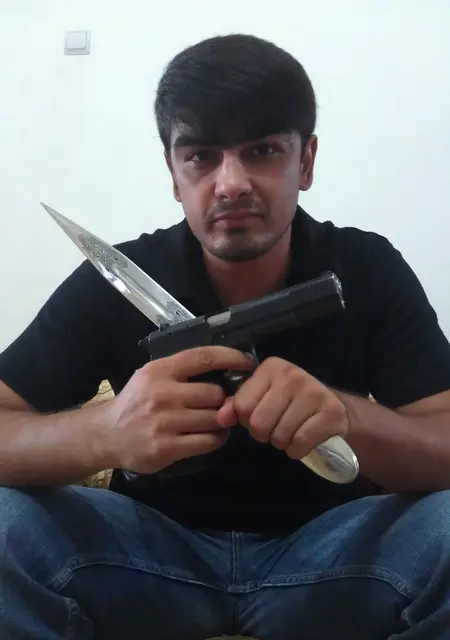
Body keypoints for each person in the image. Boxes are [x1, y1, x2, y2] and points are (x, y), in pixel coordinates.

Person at [1, 32, 450, 640]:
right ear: (173, 172)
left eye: (262, 151)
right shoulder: (116, 282)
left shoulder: (365, 268)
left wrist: (346, 417)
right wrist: (103, 434)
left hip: (332, 560)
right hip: (142, 560)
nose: (231, 182)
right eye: (201, 156)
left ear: (306, 162)